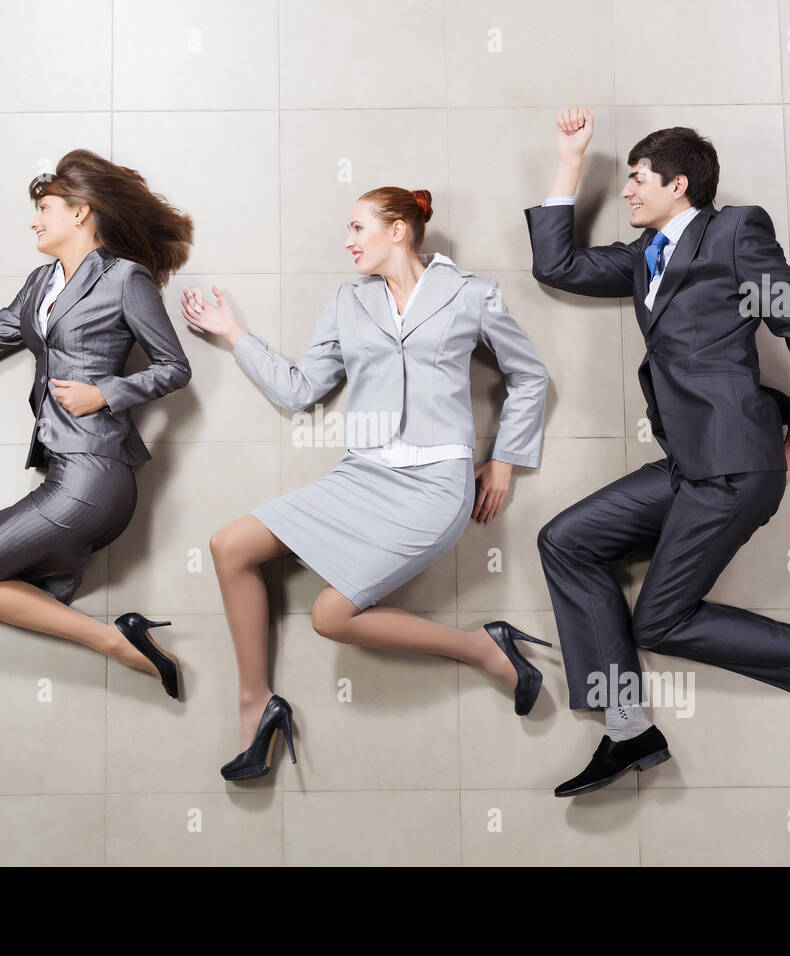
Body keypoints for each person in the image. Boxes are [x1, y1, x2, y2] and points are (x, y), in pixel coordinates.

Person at [528, 108, 790, 797]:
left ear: (679, 184)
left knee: (660, 619)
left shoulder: (733, 234)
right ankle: (629, 727)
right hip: (689, 466)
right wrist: (569, 161)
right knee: (567, 540)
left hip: (735, 462)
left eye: (637, 179)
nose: (629, 191)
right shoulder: (644, 260)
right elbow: (559, 264)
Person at [182, 187, 551, 780]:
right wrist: (235, 335)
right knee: (230, 547)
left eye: (358, 228)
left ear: (399, 230)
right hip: (363, 475)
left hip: (435, 486)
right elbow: (303, 389)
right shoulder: (348, 302)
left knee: (331, 618)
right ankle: (258, 703)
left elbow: (529, 376)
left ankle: (484, 647)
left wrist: (503, 460)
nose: (348, 241)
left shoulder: (471, 294)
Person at [0, 149, 193, 805]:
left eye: (44, 209)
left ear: (80, 212)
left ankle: (118, 642)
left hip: (99, 473)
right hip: (62, 472)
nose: (34, 223)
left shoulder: (124, 279)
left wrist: (104, 393)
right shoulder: (38, 285)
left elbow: (173, 368)